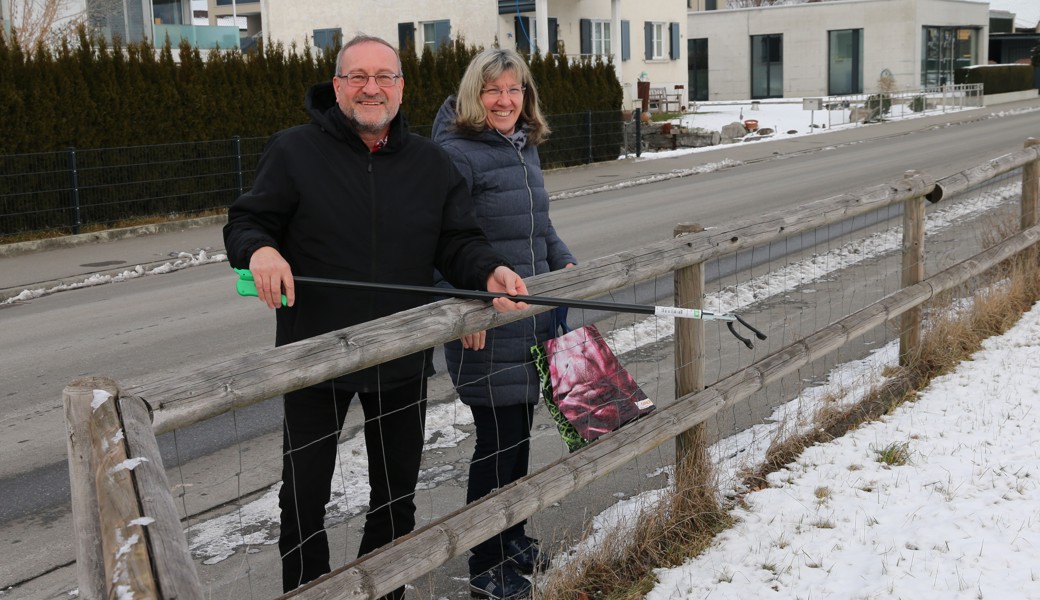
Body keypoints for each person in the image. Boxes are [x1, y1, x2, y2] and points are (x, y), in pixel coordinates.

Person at [223, 35, 530, 598]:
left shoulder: (430, 162)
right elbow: (247, 222)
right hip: (314, 359)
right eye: (358, 77)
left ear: (401, 87)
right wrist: (260, 251)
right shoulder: (293, 151)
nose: (372, 88)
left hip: (400, 357)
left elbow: (458, 241)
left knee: (394, 498)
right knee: (303, 500)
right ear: (337, 86)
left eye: (384, 77)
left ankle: (383, 591)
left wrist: (488, 272)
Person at [432, 47, 577, 600]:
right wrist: (462, 305)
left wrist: (564, 261)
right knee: (497, 444)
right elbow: (438, 241)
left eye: (514, 89)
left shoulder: (522, 147)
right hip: (487, 323)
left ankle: (511, 534)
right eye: (493, 89)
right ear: (475, 94)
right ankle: (485, 563)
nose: (504, 99)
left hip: (531, 318)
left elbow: (538, 226)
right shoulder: (456, 155)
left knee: (518, 439)